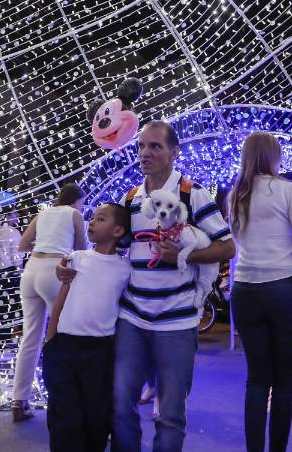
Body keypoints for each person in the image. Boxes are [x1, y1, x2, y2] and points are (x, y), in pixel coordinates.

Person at [61, 120, 234, 452]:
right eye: (141, 146)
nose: (145, 153)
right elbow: (112, 249)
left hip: (177, 322)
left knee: (170, 412)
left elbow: (227, 247)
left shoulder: (191, 194)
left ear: (173, 152)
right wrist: (72, 264)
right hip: (133, 319)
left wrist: (187, 253)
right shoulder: (130, 199)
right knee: (120, 401)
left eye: (155, 146)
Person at [228, 132, 292, 452]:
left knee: (256, 378)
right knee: (284, 381)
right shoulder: (288, 190)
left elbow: (237, 241)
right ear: (274, 156)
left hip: (245, 290)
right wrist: (285, 256)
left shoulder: (235, 194)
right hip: (285, 289)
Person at [42, 202, 133, 452]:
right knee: (64, 414)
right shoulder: (76, 258)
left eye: (100, 219)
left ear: (117, 231)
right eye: (92, 218)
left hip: (100, 350)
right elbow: (62, 296)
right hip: (64, 346)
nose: (92, 222)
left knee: (96, 412)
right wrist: (51, 339)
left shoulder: (125, 268)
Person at [11, 182, 87, 421]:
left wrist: (43, 246)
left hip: (31, 270)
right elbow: (82, 249)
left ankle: (18, 401)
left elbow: (22, 245)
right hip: (55, 271)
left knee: (30, 337)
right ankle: (62, 399)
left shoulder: (42, 214)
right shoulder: (74, 214)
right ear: (76, 200)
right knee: (61, 336)